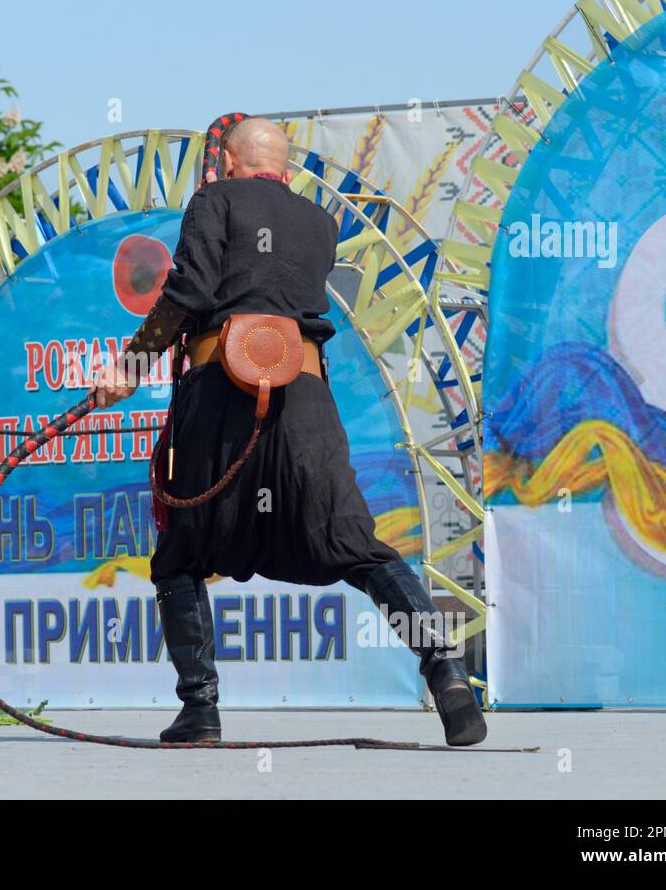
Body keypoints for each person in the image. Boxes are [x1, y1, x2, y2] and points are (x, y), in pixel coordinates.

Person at [93, 118, 487, 746]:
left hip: (221, 391)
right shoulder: (318, 222)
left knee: (181, 555)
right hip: (303, 397)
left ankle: (200, 711)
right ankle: (446, 671)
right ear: (285, 165)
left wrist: (130, 364)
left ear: (225, 160)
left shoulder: (212, 200)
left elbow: (189, 290)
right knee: (359, 546)